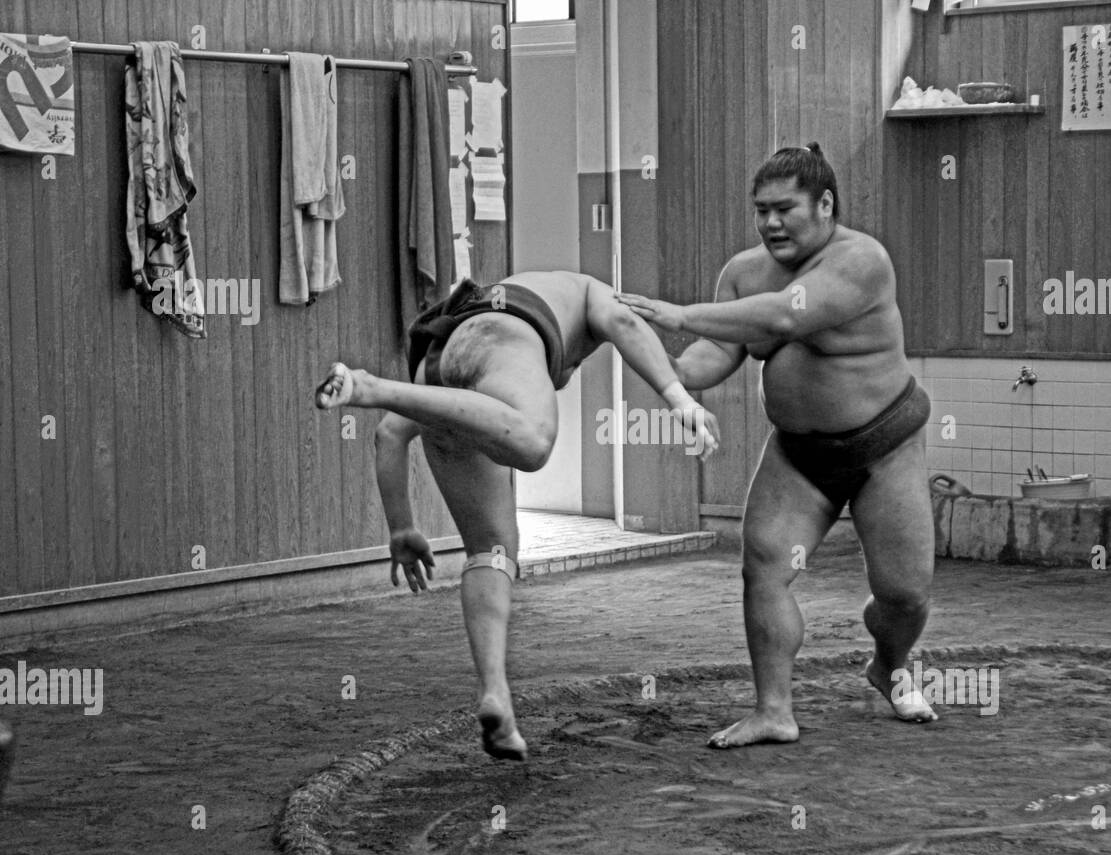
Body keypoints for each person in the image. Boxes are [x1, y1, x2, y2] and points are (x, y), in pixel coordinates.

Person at [315, 271, 720, 760]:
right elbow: (625, 325)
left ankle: (495, 697)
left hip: (439, 365)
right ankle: (372, 386)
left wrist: (401, 527)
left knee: (493, 551)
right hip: (496, 338)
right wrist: (678, 399)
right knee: (533, 442)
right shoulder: (592, 291)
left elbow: (390, 436)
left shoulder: (532, 295)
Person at [616, 143, 938, 749]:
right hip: (799, 455)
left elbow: (784, 319)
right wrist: (647, 354)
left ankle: (889, 667)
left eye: (784, 209)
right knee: (763, 567)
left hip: (884, 446)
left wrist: (680, 313)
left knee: (904, 593)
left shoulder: (862, 260)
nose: (769, 223)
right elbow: (712, 360)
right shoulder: (744, 272)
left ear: (825, 204)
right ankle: (773, 710)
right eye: (760, 210)